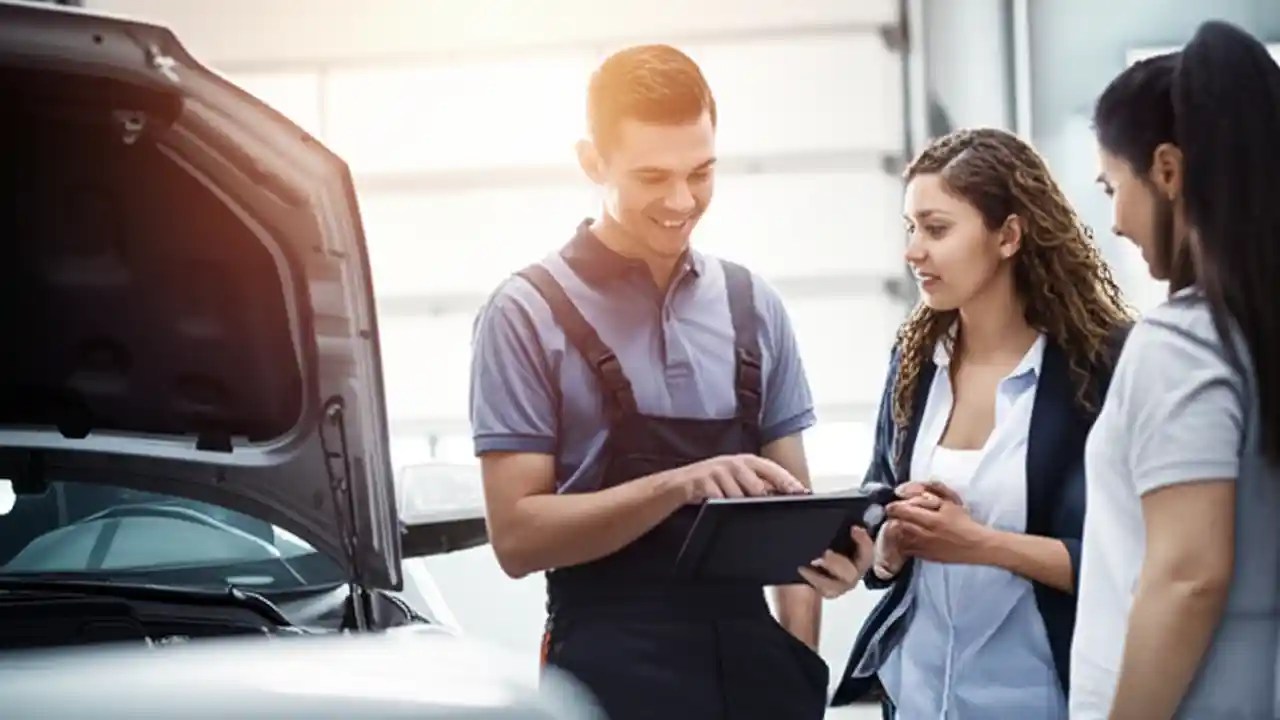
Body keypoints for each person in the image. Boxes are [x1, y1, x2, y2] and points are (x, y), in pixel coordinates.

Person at [469, 44, 873, 720]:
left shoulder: (754, 306)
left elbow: (789, 507)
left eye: (702, 172)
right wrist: (681, 484)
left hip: (755, 679)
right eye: (653, 176)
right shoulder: (525, 313)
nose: (682, 201)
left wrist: (801, 649)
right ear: (592, 162)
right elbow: (517, 537)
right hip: (607, 675)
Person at [829, 127, 1133, 718]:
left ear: (1009, 235)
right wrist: (886, 548)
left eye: (937, 229)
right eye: (911, 228)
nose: (913, 251)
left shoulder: (1102, 370)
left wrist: (980, 544)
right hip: (916, 697)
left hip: (1037, 699)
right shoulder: (916, 361)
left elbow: (1128, 563)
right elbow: (879, 491)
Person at [1070, 20, 1280, 719]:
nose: (1119, 222)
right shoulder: (1253, 333)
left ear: (1167, 169)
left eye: (1111, 188)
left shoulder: (1184, 342)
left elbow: (1188, 575)